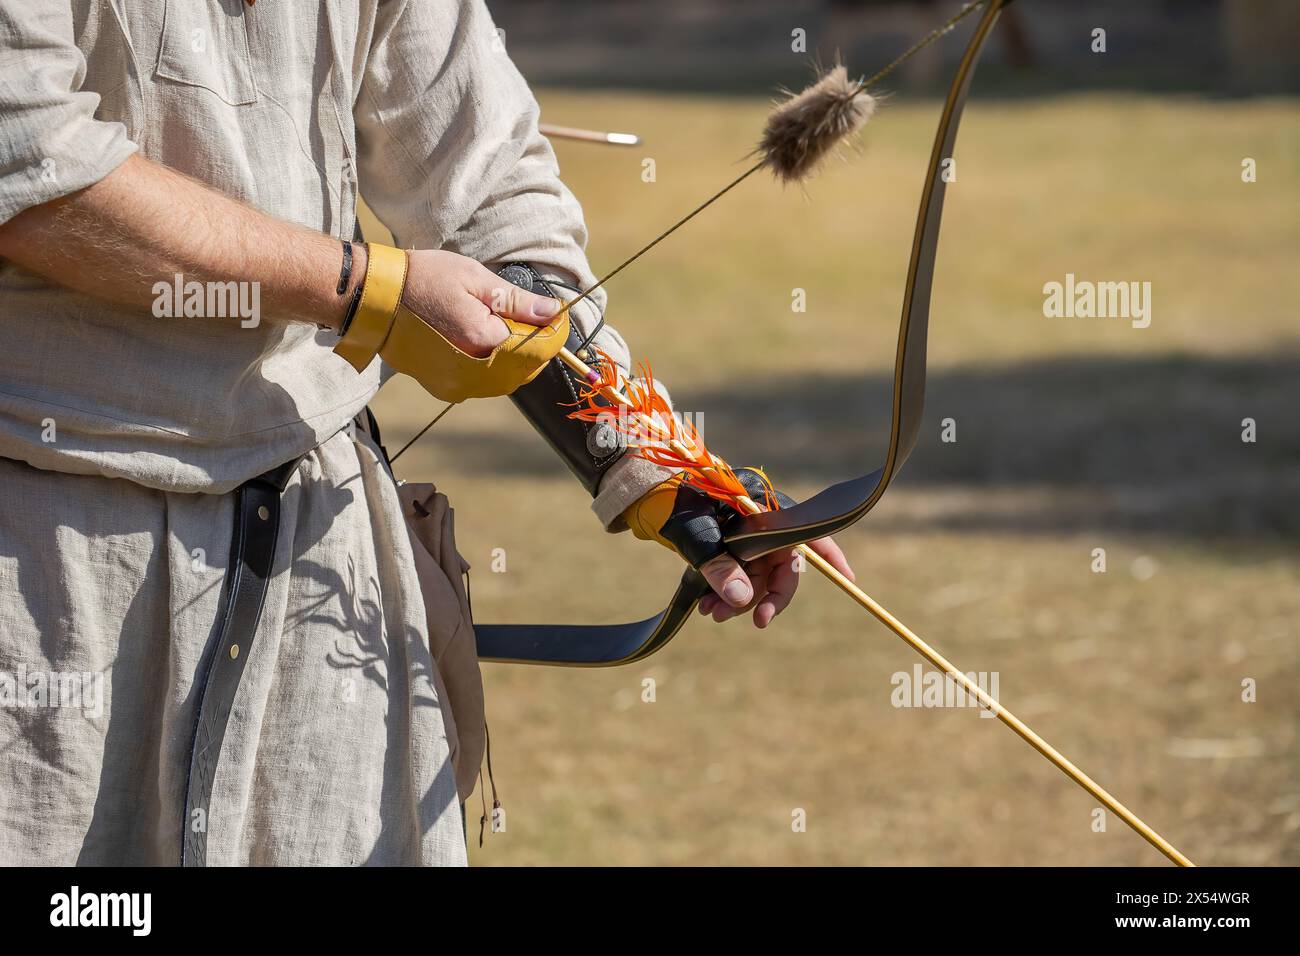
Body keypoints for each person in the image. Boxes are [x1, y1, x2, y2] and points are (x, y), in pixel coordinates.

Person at [0, 0, 851, 865]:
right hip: (48, 545)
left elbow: (486, 189)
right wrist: (361, 289)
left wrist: (665, 469)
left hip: (311, 534)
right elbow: (31, 167)